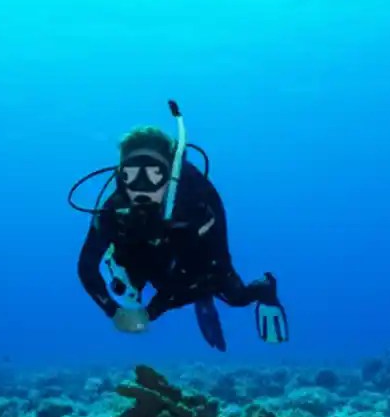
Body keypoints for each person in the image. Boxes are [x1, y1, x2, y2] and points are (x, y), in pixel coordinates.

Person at [73, 124, 289, 351]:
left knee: (231, 294)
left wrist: (151, 312)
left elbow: (207, 269)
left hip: (197, 255)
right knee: (127, 276)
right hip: (147, 251)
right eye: (131, 175)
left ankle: (264, 288)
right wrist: (114, 312)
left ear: (169, 174)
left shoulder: (195, 200)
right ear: (121, 175)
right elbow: (86, 266)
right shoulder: (114, 208)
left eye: (154, 174)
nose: (142, 188)